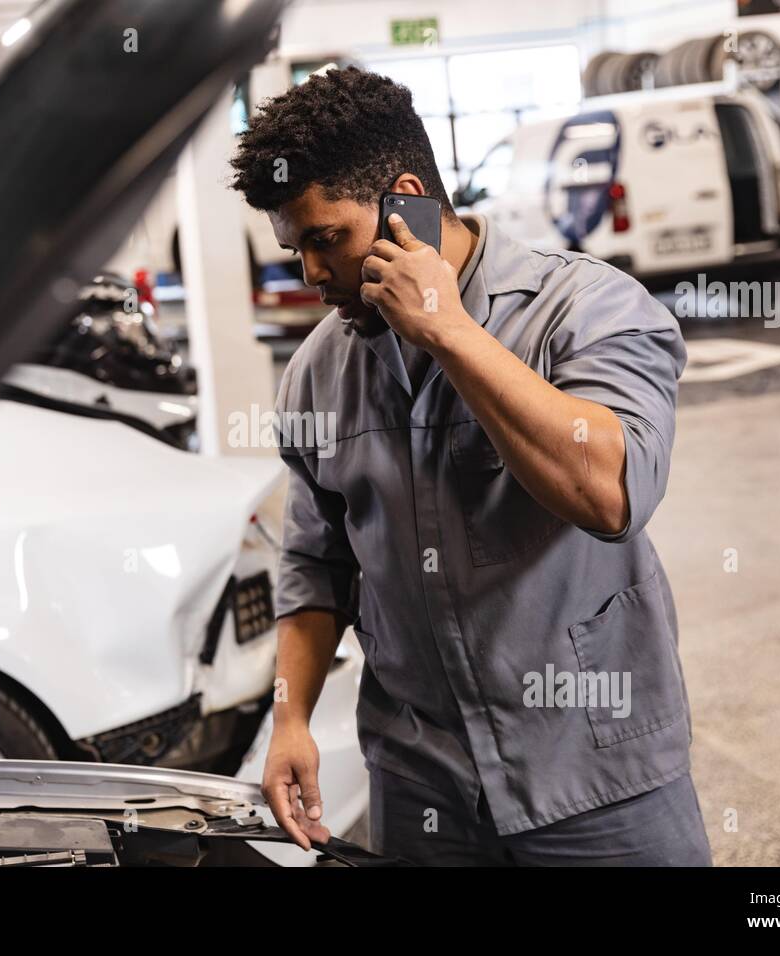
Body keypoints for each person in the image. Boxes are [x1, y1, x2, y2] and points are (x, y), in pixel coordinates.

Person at [228, 67, 712, 865]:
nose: (311, 275)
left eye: (326, 240)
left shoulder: (587, 309)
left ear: (406, 200)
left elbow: (611, 492)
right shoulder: (317, 375)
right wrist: (290, 717)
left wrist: (448, 332)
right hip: (424, 790)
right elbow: (315, 565)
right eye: (295, 249)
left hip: (594, 775)